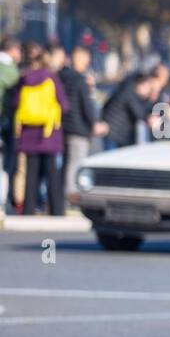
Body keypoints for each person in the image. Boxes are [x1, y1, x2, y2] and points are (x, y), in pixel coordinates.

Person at [13, 45, 69, 216]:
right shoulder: (51, 79)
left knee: (31, 175)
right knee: (52, 175)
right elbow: (64, 105)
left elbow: (15, 103)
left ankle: (29, 209)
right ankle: (57, 210)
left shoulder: (24, 79)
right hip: (49, 132)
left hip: (29, 132)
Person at [58, 45, 106, 199]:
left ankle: (59, 197)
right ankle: (71, 197)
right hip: (79, 128)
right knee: (76, 164)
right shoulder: (80, 81)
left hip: (62, 126)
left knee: (65, 164)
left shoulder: (60, 77)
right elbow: (87, 106)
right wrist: (94, 123)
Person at [99, 73, 157, 150]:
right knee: (112, 159)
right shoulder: (128, 91)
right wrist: (149, 118)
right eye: (147, 87)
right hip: (114, 133)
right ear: (141, 84)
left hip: (117, 133)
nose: (148, 91)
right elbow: (138, 113)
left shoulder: (127, 89)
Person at [0, 36, 22, 210]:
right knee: (6, 162)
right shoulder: (8, 69)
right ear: (12, 49)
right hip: (4, 119)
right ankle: (4, 202)